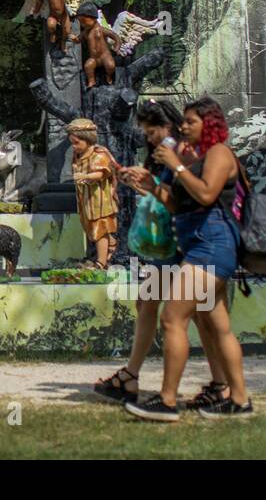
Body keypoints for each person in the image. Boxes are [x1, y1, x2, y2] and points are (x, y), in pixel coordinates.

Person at [120, 98, 253, 421]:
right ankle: (238, 399)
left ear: (210, 123)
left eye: (192, 121)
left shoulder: (219, 153)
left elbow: (207, 194)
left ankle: (166, 401)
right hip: (198, 245)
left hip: (212, 246)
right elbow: (181, 207)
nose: (185, 126)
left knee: (171, 318)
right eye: (186, 121)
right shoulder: (195, 157)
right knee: (218, 326)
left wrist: (176, 167)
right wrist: (151, 185)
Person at [66, 118, 119, 269]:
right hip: (86, 200)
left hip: (100, 200)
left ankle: (100, 263)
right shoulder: (78, 155)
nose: (73, 146)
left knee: (100, 229)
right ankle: (112, 246)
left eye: (76, 142)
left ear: (87, 139)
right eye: (72, 142)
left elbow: (101, 174)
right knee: (91, 229)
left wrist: (86, 176)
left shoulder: (99, 154)